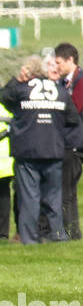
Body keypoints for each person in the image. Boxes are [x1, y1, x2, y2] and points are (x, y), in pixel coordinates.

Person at [1, 54, 78, 244]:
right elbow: (73, 118)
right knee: (53, 197)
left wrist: (17, 80)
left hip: (27, 151)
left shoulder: (21, 89)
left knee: (29, 197)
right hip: (53, 149)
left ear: (28, 72)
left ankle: (29, 238)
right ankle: (57, 235)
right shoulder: (60, 90)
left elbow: (3, 97)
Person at [53, 42, 83, 240]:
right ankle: (67, 230)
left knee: (67, 191)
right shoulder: (65, 83)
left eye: (59, 62)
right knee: (65, 189)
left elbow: (72, 109)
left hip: (76, 143)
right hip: (68, 142)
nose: (57, 66)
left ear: (70, 60)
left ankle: (72, 232)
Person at [0, 101, 12, 241]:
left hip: (3, 162)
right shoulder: (5, 107)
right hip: (6, 162)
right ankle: (3, 233)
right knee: (4, 197)